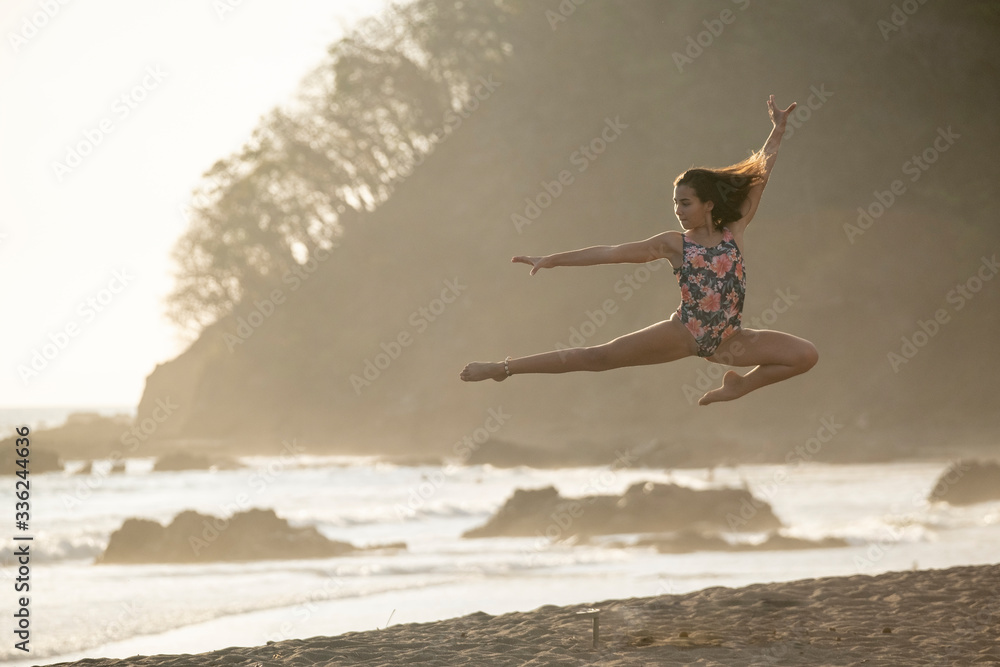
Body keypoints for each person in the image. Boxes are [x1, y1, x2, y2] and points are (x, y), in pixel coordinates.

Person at [460, 95, 817, 405]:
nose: (678, 210)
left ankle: (739, 387)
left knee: (805, 355)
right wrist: (552, 259)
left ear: (709, 204)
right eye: (675, 203)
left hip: (730, 340)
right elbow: (612, 252)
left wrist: (779, 130)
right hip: (685, 334)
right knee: (597, 357)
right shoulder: (676, 245)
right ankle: (504, 368)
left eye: (686, 203)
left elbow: (761, 176)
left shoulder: (734, 232)